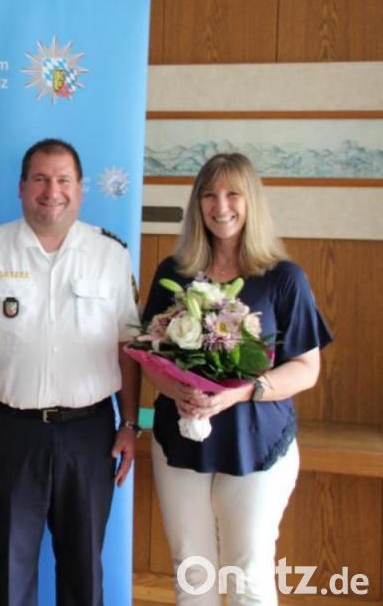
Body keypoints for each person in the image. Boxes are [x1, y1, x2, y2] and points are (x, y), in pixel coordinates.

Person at [0, 138, 141, 606]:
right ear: (22, 187)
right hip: (10, 432)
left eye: (64, 180)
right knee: (10, 571)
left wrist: (130, 424)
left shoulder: (110, 255)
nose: (53, 191)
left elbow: (129, 348)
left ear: (81, 189)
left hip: (90, 433)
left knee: (84, 571)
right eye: (41, 179)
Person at [142, 153, 332, 605]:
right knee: (192, 571)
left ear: (252, 202)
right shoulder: (174, 273)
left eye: (232, 194)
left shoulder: (285, 278)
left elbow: (307, 369)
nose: (219, 205)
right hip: (181, 439)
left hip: (257, 441)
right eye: (208, 194)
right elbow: (149, 355)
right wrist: (177, 390)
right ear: (196, 205)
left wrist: (241, 392)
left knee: (247, 572)